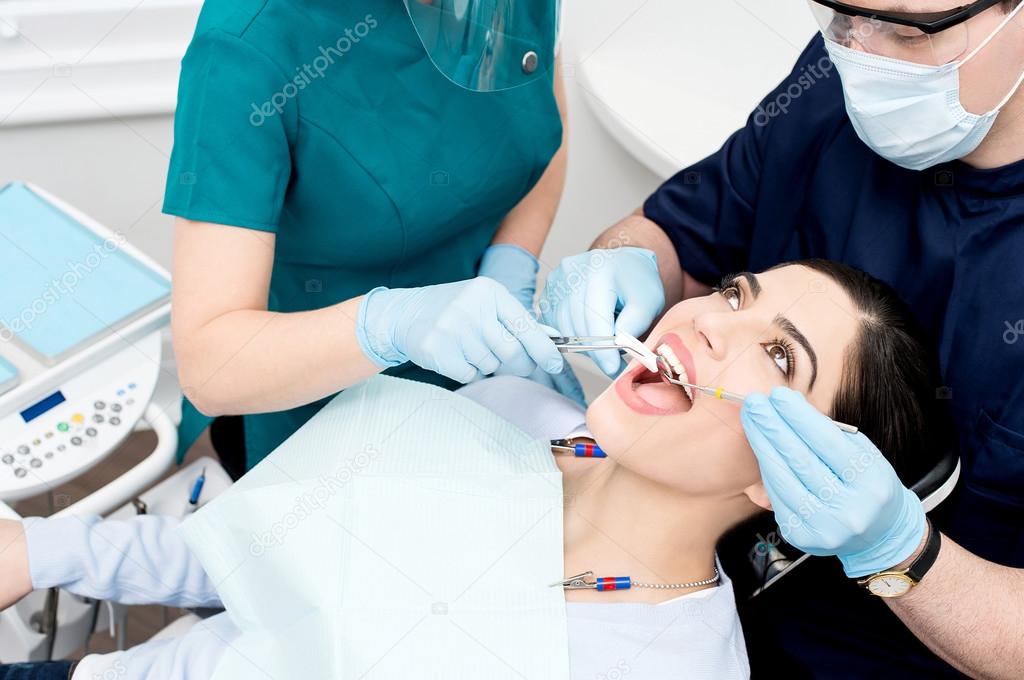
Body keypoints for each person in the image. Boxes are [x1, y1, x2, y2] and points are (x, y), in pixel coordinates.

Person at [0, 261, 949, 679]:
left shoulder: (674, 666)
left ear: (789, 482)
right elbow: (236, 549)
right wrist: (37, 549)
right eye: (736, 292)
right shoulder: (511, 412)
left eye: (780, 359)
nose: (705, 317)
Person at [539, 1, 1024, 676]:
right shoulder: (845, 79)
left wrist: (901, 554)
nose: (862, 50)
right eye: (842, 15)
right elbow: (672, 236)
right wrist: (620, 260)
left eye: (907, 31)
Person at [164, 0, 577, 478]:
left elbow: (543, 123)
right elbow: (211, 362)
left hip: (482, 374)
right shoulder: (247, 44)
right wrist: (386, 325)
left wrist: (512, 266)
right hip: (311, 402)